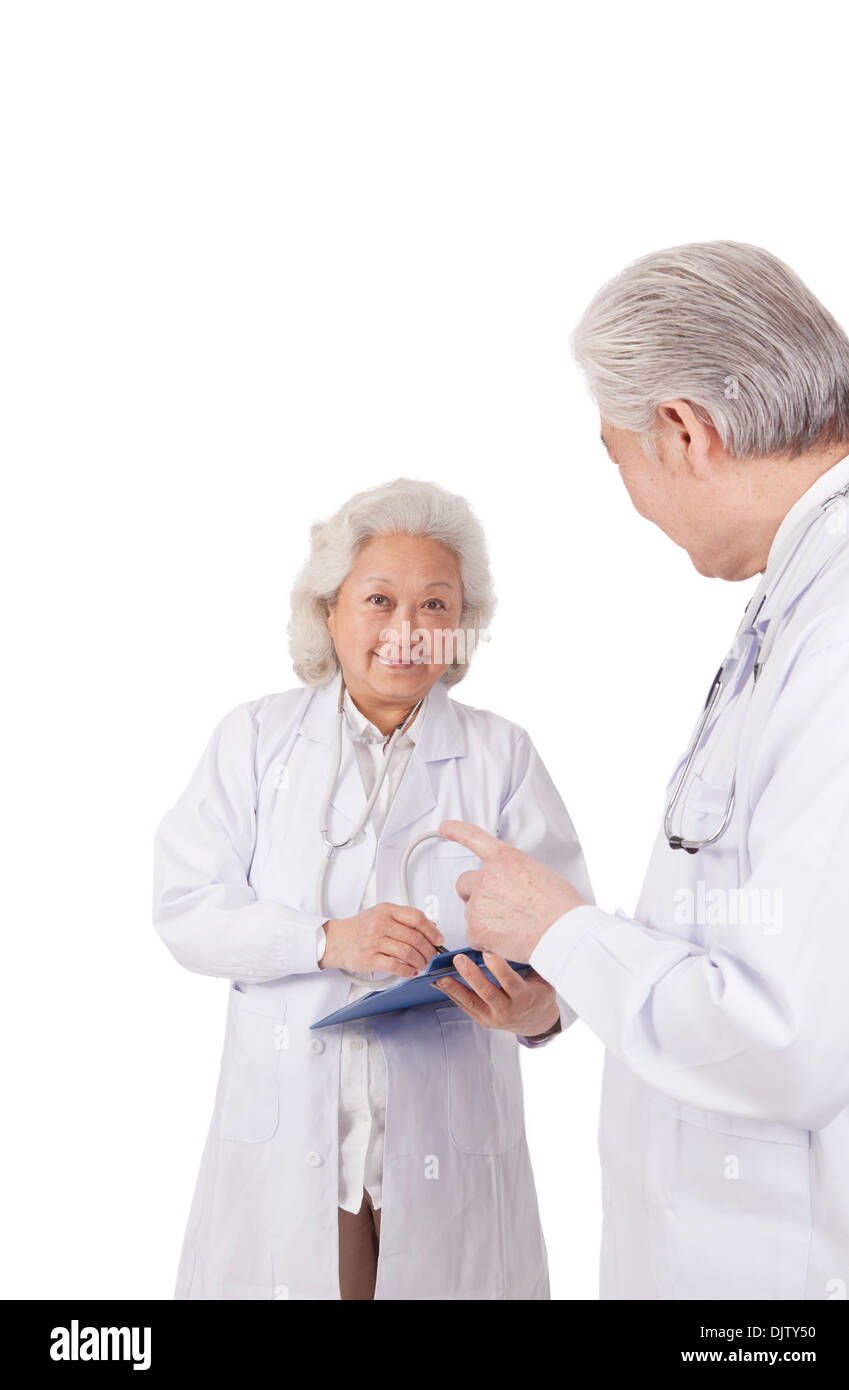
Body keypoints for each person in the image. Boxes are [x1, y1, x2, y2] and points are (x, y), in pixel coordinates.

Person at [437, 241, 849, 1300]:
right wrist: (562, 983)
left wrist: (561, 929)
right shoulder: (806, 591)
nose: (626, 492)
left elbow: (787, 1037)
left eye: (613, 453)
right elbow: (756, 925)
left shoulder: (848, 622)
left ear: (682, 430)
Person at [152, 476, 593, 1300]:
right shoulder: (254, 741)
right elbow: (185, 909)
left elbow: (572, 950)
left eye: (436, 605)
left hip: (446, 1143)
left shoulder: (503, 757)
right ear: (330, 612)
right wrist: (325, 939)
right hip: (295, 1146)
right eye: (380, 599)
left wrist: (532, 1010)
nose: (407, 630)